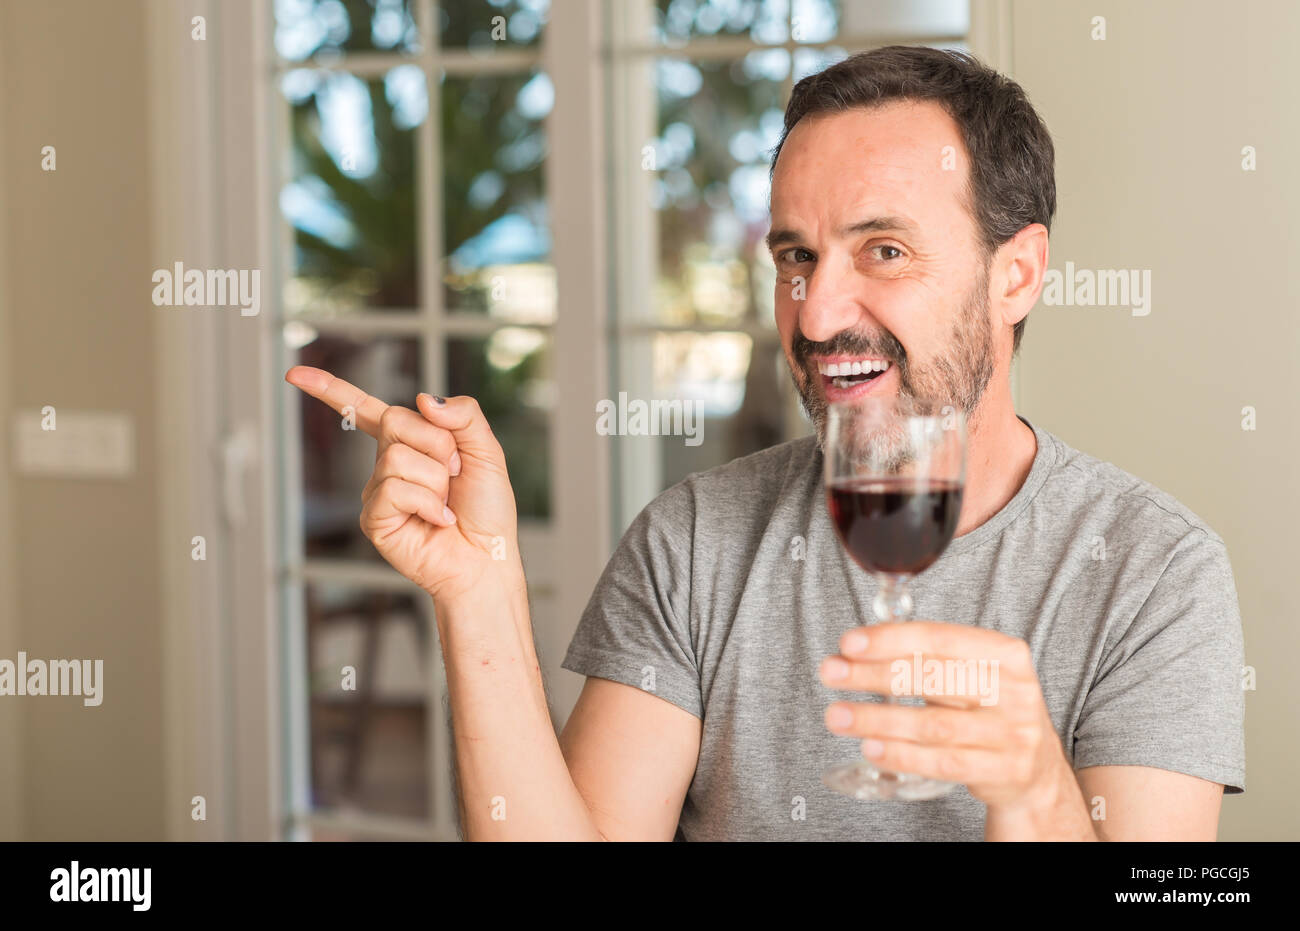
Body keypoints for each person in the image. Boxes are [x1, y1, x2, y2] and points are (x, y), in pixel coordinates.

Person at [286, 46, 1245, 841]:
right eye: (796, 257)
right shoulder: (696, 537)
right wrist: (479, 591)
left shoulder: (1155, 572)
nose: (818, 312)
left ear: (1017, 275)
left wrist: (1035, 793)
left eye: (885, 250)